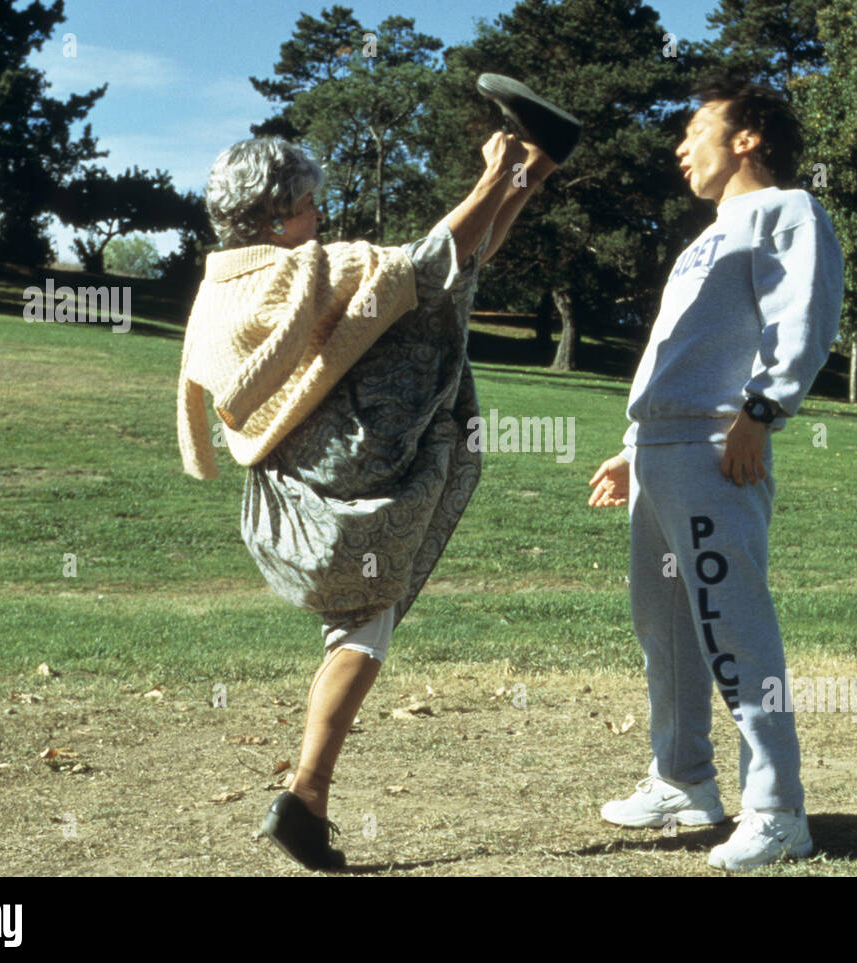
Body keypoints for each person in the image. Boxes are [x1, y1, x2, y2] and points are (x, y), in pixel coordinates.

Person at [177, 78, 579, 871]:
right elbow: (420, 270)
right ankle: (538, 162)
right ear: (273, 215)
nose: (318, 218)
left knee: (366, 628)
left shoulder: (216, 292)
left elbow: (432, 269)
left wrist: (510, 183)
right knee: (428, 283)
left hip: (299, 519)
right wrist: (492, 180)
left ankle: (307, 797)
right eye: (306, 206)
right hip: (352, 488)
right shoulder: (295, 273)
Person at [587, 73, 843, 872]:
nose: (679, 146)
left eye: (697, 128)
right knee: (663, 627)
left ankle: (776, 807)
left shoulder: (788, 211)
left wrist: (761, 413)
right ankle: (682, 778)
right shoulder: (708, 235)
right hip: (662, 451)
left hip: (715, 448)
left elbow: (804, 312)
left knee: (734, 627)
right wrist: (634, 448)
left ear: (746, 137)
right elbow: (681, 351)